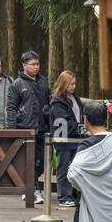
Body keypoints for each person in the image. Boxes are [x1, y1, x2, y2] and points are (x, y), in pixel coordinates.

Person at [7, 50, 50, 204]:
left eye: (38, 64)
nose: (36, 67)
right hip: (24, 127)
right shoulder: (17, 84)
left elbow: (48, 100)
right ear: (24, 65)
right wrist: (12, 130)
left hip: (42, 127)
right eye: (33, 64)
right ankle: (32, 190)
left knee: (41, 161)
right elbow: (11, 107)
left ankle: (33, 187)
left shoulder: (43, 81)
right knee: (28, 161)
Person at [48, 70, 84, 207]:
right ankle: (64, 196)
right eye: (71, 84)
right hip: (63, 139)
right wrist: (80, 127)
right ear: (64, 84)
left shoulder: (76, 98)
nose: (74, 87)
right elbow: (62, 121)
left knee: (75, 167)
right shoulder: (57, 101)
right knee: (64, 168)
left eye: (75, 84)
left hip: (76, 138)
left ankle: (74, 195)